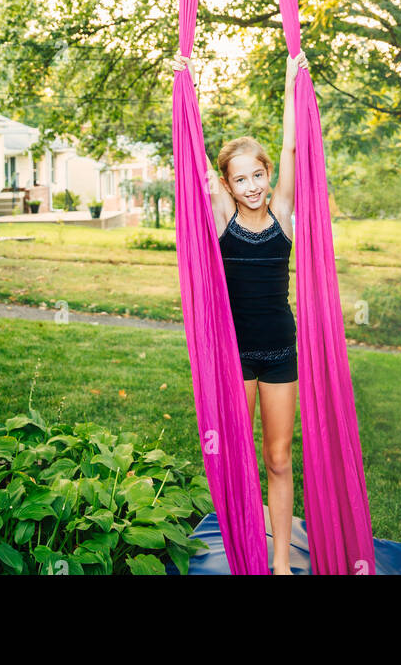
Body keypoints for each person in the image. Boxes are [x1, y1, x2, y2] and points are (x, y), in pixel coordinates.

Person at [173, 49, 308, 575]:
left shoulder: (284, 213)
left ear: (268, 176)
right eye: (241, 179)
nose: (251, 186)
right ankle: (245, 552)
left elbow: (293, 145)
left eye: (258, 175)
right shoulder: (224, 213)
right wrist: (185, 84)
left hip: (279, 352)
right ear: (228, 186)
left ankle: (278, 564)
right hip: (235, 353)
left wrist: (293, 84)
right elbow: (195, 151)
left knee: (278, 459)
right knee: (235, 462)